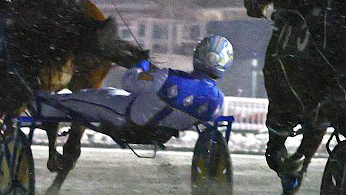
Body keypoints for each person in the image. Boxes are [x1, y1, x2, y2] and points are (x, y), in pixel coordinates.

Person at [56, 34, 233, 136]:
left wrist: (142, 64)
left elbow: (129, 81)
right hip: (161, 132)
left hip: (127, 117)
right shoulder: (218, 100)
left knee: (84, 98)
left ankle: (43, 104)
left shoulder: (165, 77)